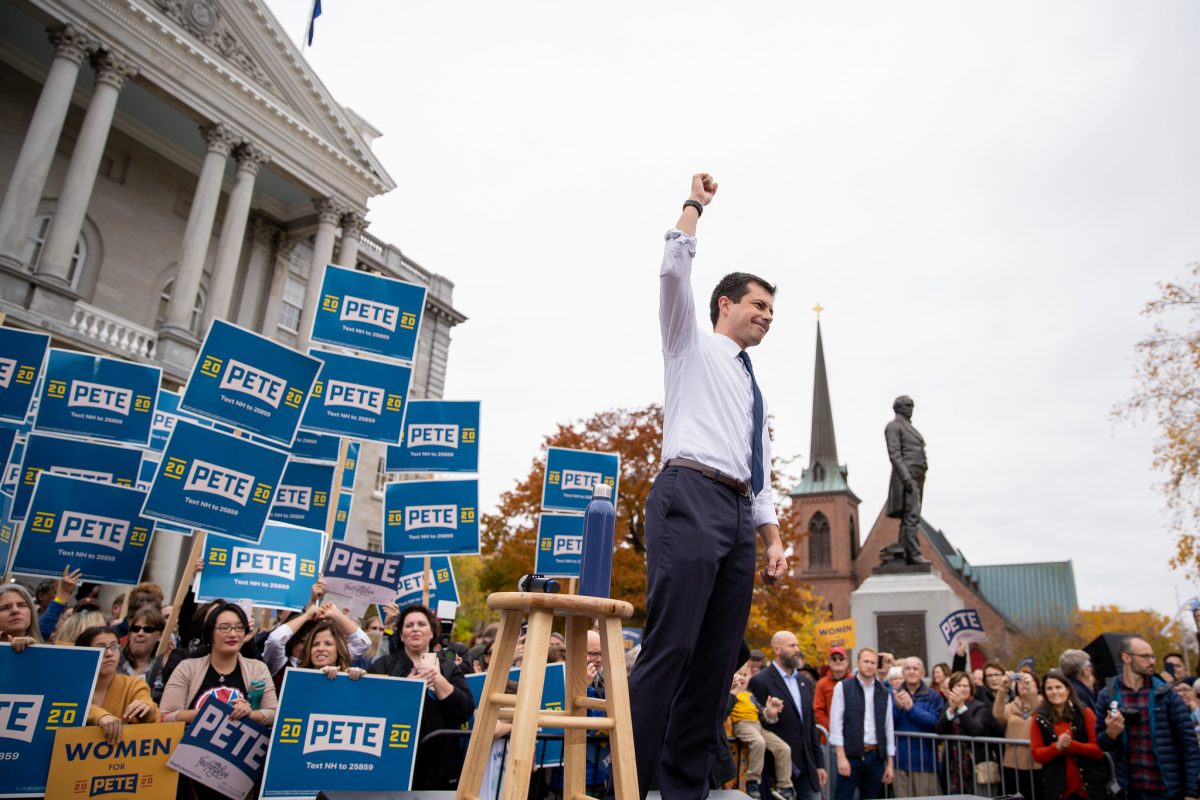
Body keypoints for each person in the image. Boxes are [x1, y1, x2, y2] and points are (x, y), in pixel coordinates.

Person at [628, 173, 788, 800]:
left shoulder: (754, 389)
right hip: (689, 494)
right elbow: (673, 273)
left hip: (740, 514)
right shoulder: (687, 344)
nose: (767, 317)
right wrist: (694, 205)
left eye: (772, 311)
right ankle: (630, 784)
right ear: (726, 304)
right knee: (671, 645)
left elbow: (760, 472)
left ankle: (684, 789)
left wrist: (772, 538)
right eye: (759, 305)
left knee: (718, 659)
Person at [369, 604, 473, 790]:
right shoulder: (383, 665)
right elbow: (372, 708)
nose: (415, 629)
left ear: (432, 633)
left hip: (440, 765)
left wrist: (438, 680)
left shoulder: (449, 668)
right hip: (393, 760)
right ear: (401, 635)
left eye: (421, 624)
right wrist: (407, 689)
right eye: (409, 625)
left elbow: (464, 711)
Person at [1097, 636, 1200, 800]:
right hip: (1131, 791)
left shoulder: (1166, 694)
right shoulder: (1108, 695)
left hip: (1168, 790)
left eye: (1153, 656)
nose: (1152, 661)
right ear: (1126, 657)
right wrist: (1111, 733)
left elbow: (1189, 745)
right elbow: (1101, 743)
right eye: (1145, 656)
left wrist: (1191, 792)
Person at [158, 602, 277, 726]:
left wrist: (248, 714)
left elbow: (273, 714)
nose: (233, 634)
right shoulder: (187, 668)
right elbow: (165, 716)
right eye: (224, 628)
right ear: (210, 633)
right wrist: (214, 712)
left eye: (239, 627)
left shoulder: (258, 669)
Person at [750, 631, 827, 800]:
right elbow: (757, 725)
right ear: (777, 650)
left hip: (807, 767)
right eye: (792, 646)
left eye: (797, 645)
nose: (797, 649)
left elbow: (810, 725)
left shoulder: (805, 682)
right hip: (777, 771)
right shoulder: (761, 681)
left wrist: (819, 763)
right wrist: (769, 715)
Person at [829, 647, 895, 800]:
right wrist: (841, 757)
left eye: (873, 662)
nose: (869, 665)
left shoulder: (884, 692)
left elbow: (888, 728)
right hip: (851, 755)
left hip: (875, 756)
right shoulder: (843, 687)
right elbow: (836, 723)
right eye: (866, 661)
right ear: (858, 662)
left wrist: (890, 764)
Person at [75, 626, 159, 744]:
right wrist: (99, 716)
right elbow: (72, 705)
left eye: (114, 647)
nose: (109, 653)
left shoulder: (133, 684)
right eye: (101, 648)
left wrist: (146, 709)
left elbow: (151, 710)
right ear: (85, 653)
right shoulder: (71, 685)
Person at [1031, 670, 1107, 800]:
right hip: (1056, 789)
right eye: (1049, 688)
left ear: (1067, 689)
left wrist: (1072, 745)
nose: (1054, 692)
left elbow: (1098, 750)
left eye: (1058, 687)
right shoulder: (1039, 718)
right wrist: (1056, 747)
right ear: (1044, 692)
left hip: (1089, 787)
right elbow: (1036, 754)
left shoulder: (1085, 713)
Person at [729, 664, 795, 800]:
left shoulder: (749, 695)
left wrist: (770, 712)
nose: (742, 678)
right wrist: (733, 690)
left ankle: (784, 786)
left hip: (757, 725)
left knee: (783, 748)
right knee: (758, 742)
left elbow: (761, 713)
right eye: (738, 674)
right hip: (742, 724)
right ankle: (752, 781)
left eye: (745, 675)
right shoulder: (729, 694)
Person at [936, 670, 1002, 794]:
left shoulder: (980, 707)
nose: (962, 689)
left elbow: (975, 730)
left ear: (971, 688)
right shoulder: (949, 706)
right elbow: (939, 730)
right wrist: (951, 710)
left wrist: (961, 707)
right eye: (958, 685)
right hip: (954, 761)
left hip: (975, 763)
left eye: (965, 686)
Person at [884, 396, 930, 565]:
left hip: (918, 475)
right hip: (908, 476)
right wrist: (906, 478)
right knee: (911, 515)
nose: (911, 409)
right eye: (908, 405)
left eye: (912, 406)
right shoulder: (893, 426)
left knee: (911, 515)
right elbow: (894, 454)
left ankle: (905, 551)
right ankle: (914, 554)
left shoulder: (909, 428)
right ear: (899, 407)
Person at [893, 657, 944, 797]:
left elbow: (935, 722)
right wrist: (897, 708)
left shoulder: (933, 696)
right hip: (900, 761)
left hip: (924, 761)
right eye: (907, 668)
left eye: (915, 668)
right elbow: (886, 724)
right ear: (903, 672)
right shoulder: (893, 694)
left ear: (922, 673)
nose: (911, 671)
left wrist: (912, 709)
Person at [994, 670, 1044, 800]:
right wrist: (1003, 688)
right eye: (1020, 682)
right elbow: (998, 716)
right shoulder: (1012, 706)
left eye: (1027, 681)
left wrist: (1031, 692)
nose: (1023, 685)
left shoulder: (1042, 703)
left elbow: (1039, 714)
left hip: (1036, 763)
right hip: (1012, 762)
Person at [298, 618, 366, 680]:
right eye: (315, 644)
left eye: (328, 644)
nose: (320, 649)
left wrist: (358, 681)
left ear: (339, 649)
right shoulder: (296, 677)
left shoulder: (348, 677)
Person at [118, 605, 163, 679]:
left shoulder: (163, 666)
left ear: (160, 635)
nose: (140, 633)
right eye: (135, 629)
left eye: (148, 629)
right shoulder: (114, 660)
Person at [815, 646, 850, 732]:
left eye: (841, 658)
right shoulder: (821, 684)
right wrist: (832, 728)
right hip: (830, 735)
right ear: (829, 662)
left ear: (847, 662)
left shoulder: (854, 681)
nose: (838, 661)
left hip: (852, 733)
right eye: (834, 659)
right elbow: (818, 711)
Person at [0, 582, 42, 651]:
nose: (15, 610)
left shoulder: (52, 652)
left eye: (21, 605)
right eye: (5, 608)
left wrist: (36, 652)